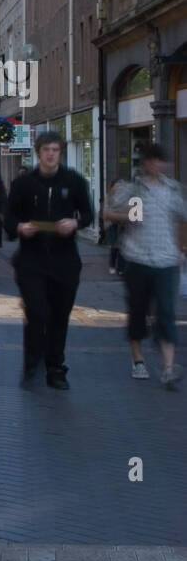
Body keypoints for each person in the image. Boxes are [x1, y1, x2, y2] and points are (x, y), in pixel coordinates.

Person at [4, 130, 95, 390]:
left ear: (61, 153)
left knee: (59, 315)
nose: (51, 154)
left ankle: (55, 368)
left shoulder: (74, 181)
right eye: (46, 150)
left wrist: (75, 222)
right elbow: (8, 217)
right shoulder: (24, 183)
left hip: (64, 259)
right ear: (38, 153)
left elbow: (88, 214)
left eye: (55, 150)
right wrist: (20, 227)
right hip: (31, 259)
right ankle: (32, 363)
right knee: (37, 311)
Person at [102, 144, 186, 388]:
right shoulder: (131, 189)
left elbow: (182, 218)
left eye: (162, 161)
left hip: (166, 261)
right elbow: (107, 214)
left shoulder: (173, 190)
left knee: (167, 314)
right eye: (154, 161)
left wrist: (181, 250)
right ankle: (138, 360)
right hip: (137, 260)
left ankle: (168, 369)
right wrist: (124, 215)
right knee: (138, 312)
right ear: (146, 163)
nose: (159, 166)